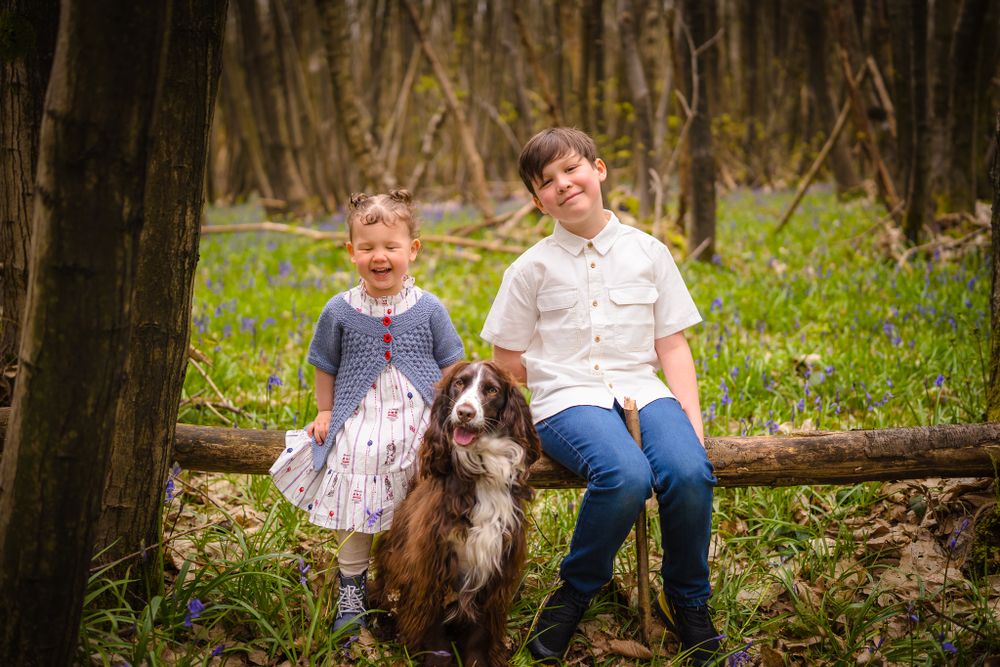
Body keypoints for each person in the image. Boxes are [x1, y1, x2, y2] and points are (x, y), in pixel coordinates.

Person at [481, 128, 720, 665]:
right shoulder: (530, 269)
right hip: (567, 399)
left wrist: (692, 426)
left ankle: (686, 598)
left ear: (600, 169)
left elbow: (672, 345)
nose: (563, 185)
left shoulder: (648, 252)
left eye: (572, 169)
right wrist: (532, 405)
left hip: (641, 388)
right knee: (626, 476)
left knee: (688, 473)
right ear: (538, 202)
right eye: (547, 182)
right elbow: (505, 361)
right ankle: (575, 590)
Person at [270, 190, 464, 636]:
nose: (380, 256)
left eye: (391, 247)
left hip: (419, 417)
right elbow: (325, 364)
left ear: (412, 251)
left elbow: (453, 364)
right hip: (361, 419)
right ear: (351, 252)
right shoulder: (339, 310)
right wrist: (324, 410)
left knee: (421, 499)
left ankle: (419, 586)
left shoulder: (429, 308)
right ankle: (352, 586)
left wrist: (454, 416)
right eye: (368, 247)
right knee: (356, 481)